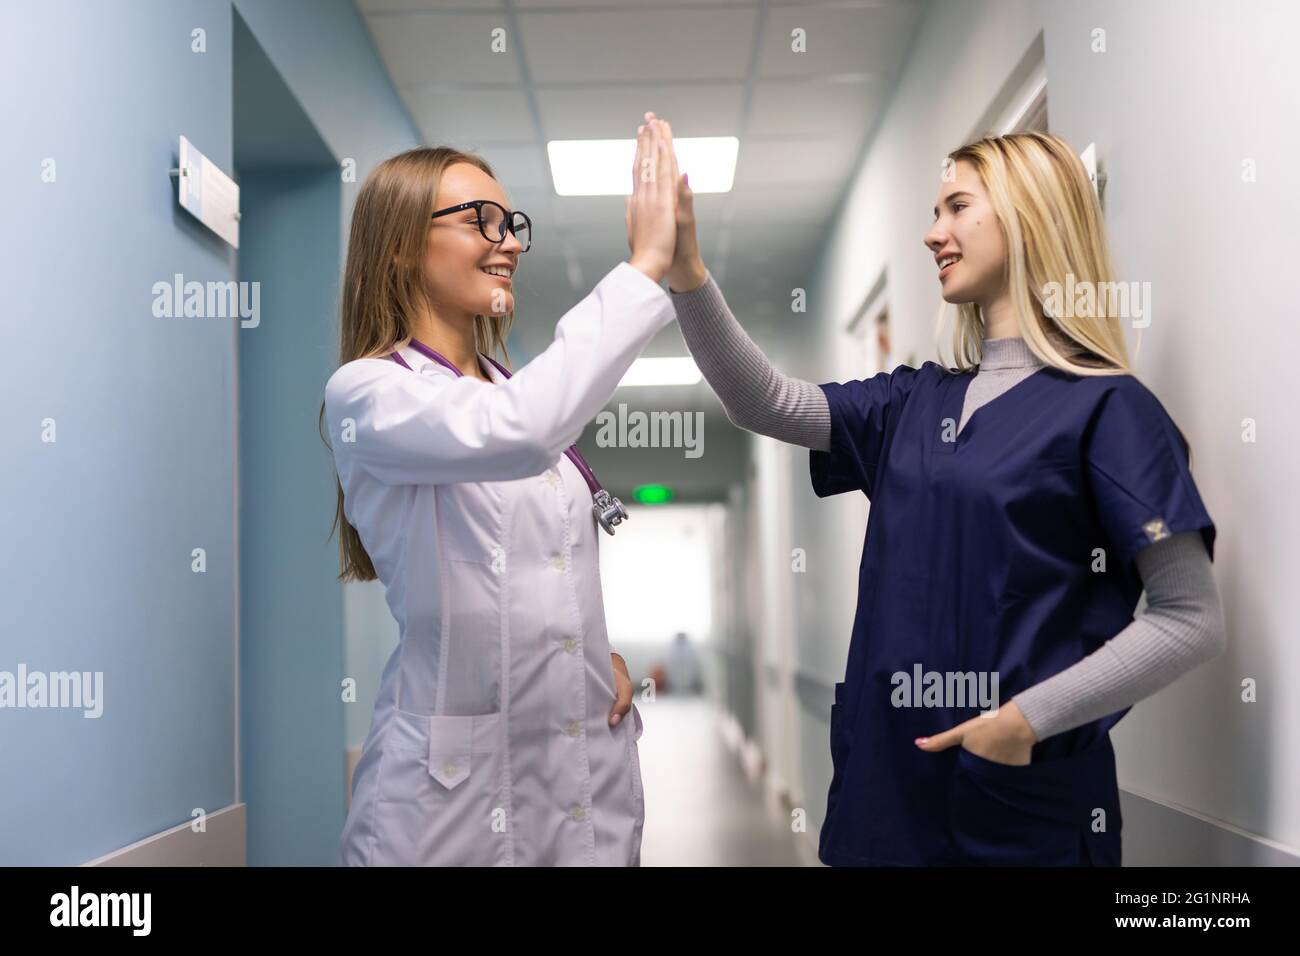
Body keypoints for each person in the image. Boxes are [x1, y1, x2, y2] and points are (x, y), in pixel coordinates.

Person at [657, 115, 1227, 866]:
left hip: (1024, 808)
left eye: (957, 206)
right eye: (934, 212)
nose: (933, 233)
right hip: (885, 798)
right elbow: (762, 402)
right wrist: (687, 275)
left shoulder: (1108, 410)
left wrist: (1024, 719)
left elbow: (1192, 618)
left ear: (1031, 218)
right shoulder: (913, 404)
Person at [321, 115, 678, 865]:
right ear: (399, 244)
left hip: (575, 776)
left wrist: (588, 655)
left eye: (511, 223)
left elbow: (533, 569)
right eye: (480, 221)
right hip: (444, 803)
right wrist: (644, 264)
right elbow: (517, 432)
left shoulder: (506, 389)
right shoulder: (369, 394)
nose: (509, 241)